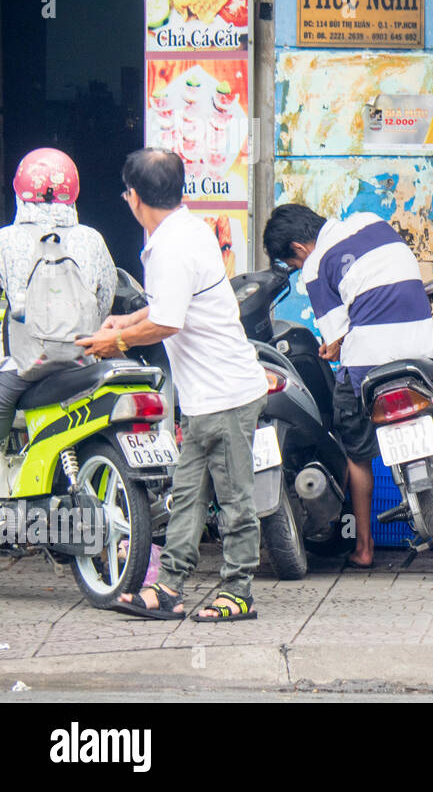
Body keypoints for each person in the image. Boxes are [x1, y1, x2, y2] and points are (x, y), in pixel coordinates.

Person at [261, 203, 433, 570]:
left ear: (299, 250)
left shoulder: (315, 267)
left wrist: (332, 347)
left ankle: (363, 546)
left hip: (367, 364)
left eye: (295, 263)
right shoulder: (373, 221)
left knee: (356, 450)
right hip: (423, 346)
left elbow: (336, 337)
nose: (301, 267)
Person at [79, 148, 267, 622]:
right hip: (207, 393)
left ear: (134, 197)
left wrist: (115, 340)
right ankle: (169, 589)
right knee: (186, 495)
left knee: (234, 497)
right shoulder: (188, 229)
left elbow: (166, 321)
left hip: (224, 392)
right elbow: (169, 304)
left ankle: (238, 593)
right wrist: (127, 317)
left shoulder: (168, 245)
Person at [0, 148, 116, 448]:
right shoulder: (91, 239)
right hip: (83, 360)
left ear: (20, 194)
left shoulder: (6, 241)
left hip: (27, 365)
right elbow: (105, 300)